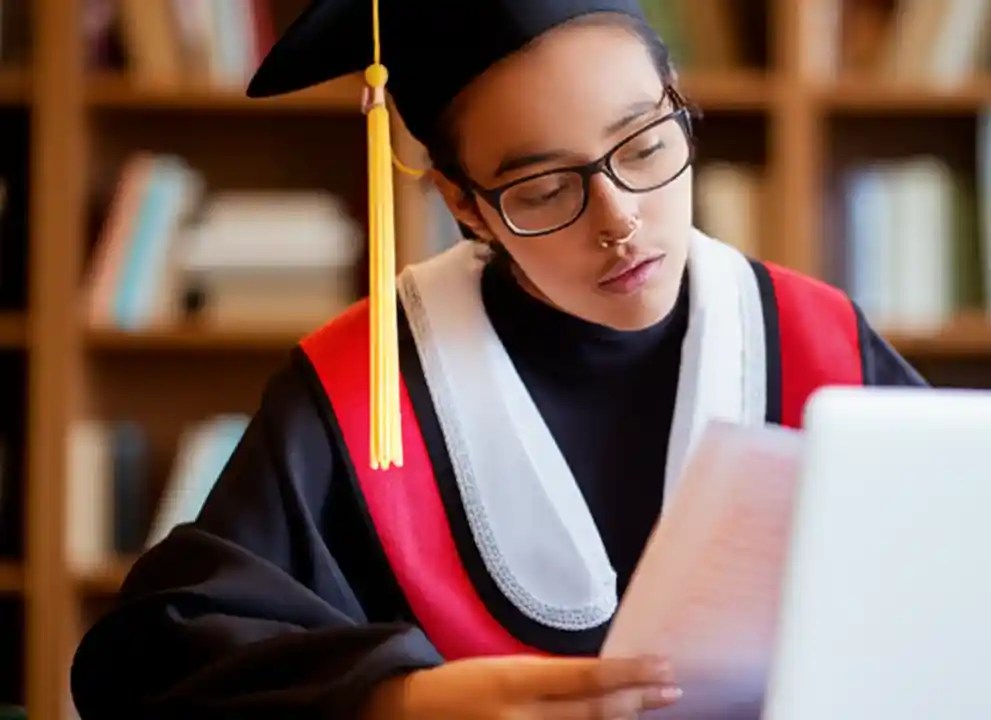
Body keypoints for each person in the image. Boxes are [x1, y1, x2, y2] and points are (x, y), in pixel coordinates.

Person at [68, 0, 928, 718]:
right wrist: (402, 703)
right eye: (545, 189)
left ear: (678, 103)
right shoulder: (365, 385)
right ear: (464, 205)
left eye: (645, 144)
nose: (619, 217)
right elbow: (158, 655)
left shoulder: (821, 343)